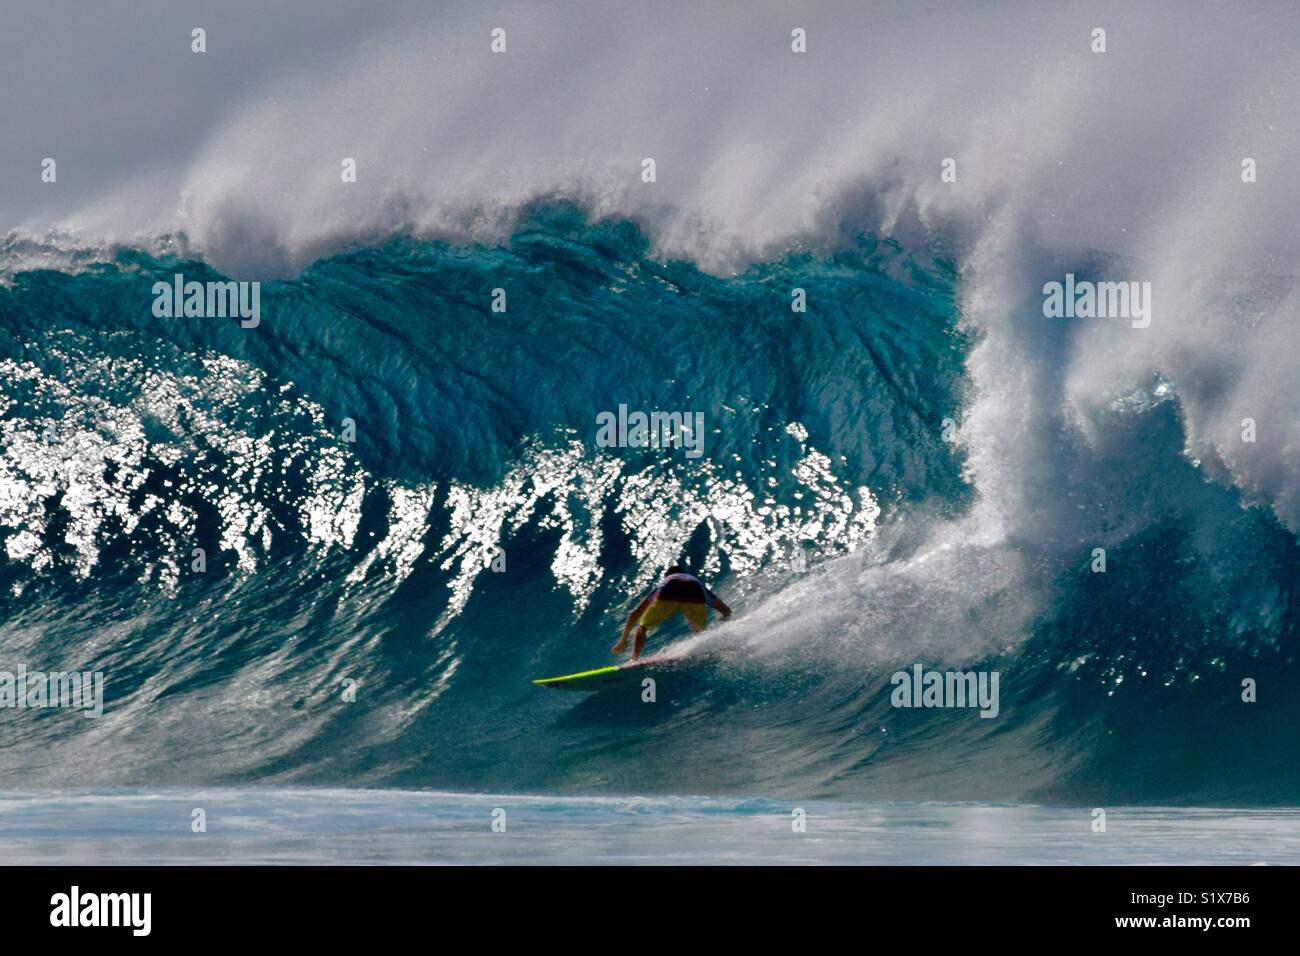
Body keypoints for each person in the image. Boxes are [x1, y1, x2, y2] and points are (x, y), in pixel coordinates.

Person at [611, 565, 732, 661]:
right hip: (694, 594)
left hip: (669, 592)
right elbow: (726, 610)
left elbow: (635, 613)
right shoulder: (695, 582)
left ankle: (634, 658)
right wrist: (722, 622)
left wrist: (623, 640)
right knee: (700, 631)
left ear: (666, 575)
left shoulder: (667, 581)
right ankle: (705, 652)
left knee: (643, 627)